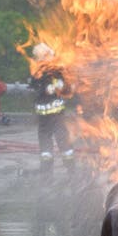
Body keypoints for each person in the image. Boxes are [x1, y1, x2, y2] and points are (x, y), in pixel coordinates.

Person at [29, 43, 74, 174]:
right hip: (56, 116)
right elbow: (61, 85)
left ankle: (47, 171)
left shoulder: (36, 71)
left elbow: (34, 86)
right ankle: (71, 169)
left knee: (46, 142)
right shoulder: (54, 70)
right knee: (62, 140)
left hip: (44, 117)